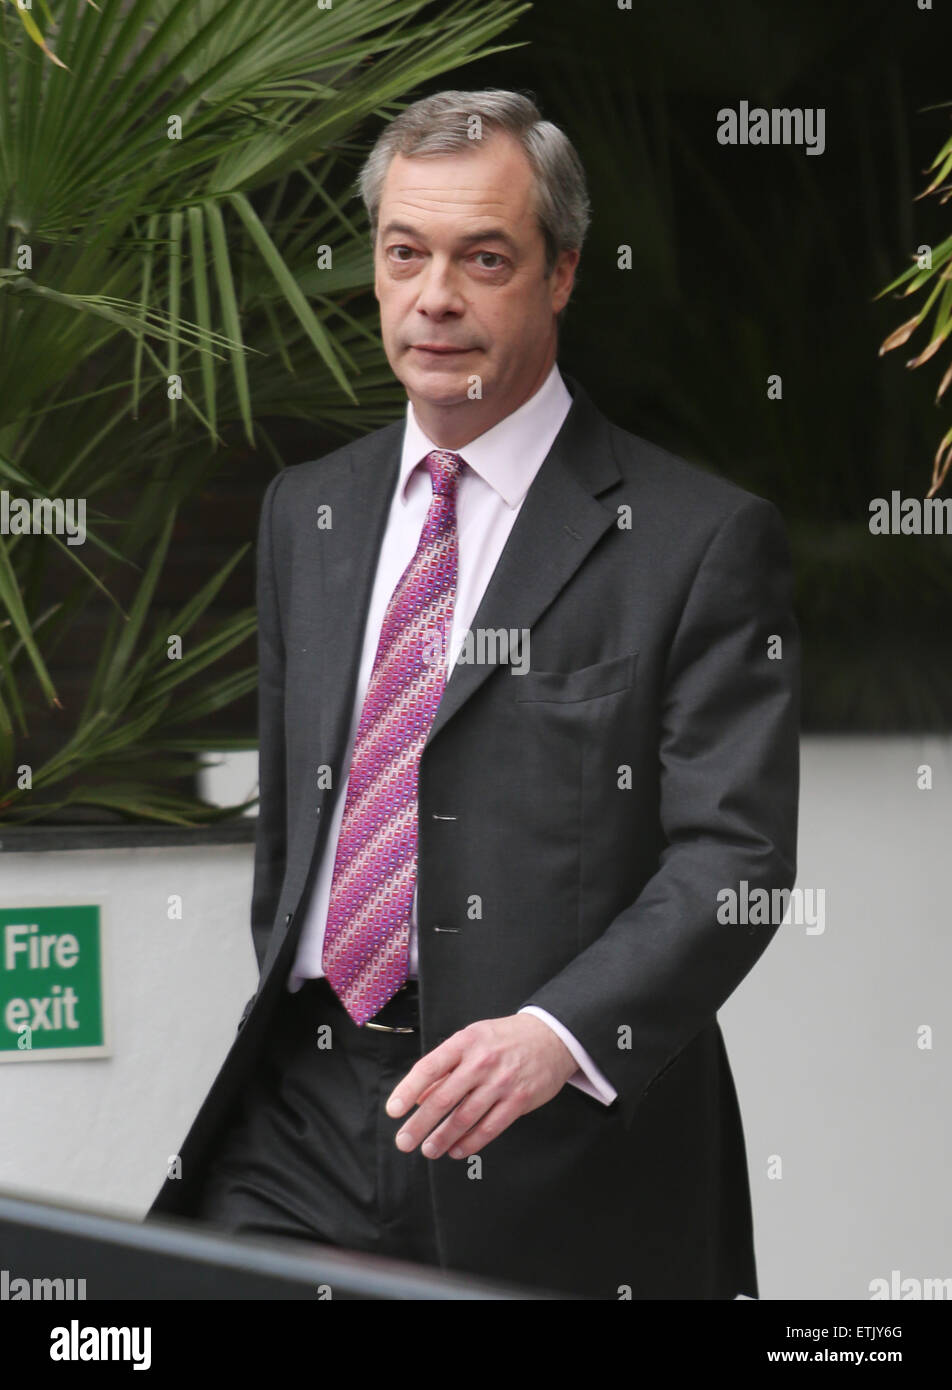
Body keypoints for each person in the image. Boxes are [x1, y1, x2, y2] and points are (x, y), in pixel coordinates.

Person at [147, 88, 800, 1301]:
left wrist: (553, 1037)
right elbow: (304, 824)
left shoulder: (697, 541)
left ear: (559, 274)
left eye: (481, 258)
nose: (434, 296)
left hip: (562, 1146)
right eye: (405, 253)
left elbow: (737, 859)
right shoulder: (309, 512)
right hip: (308, 1115)